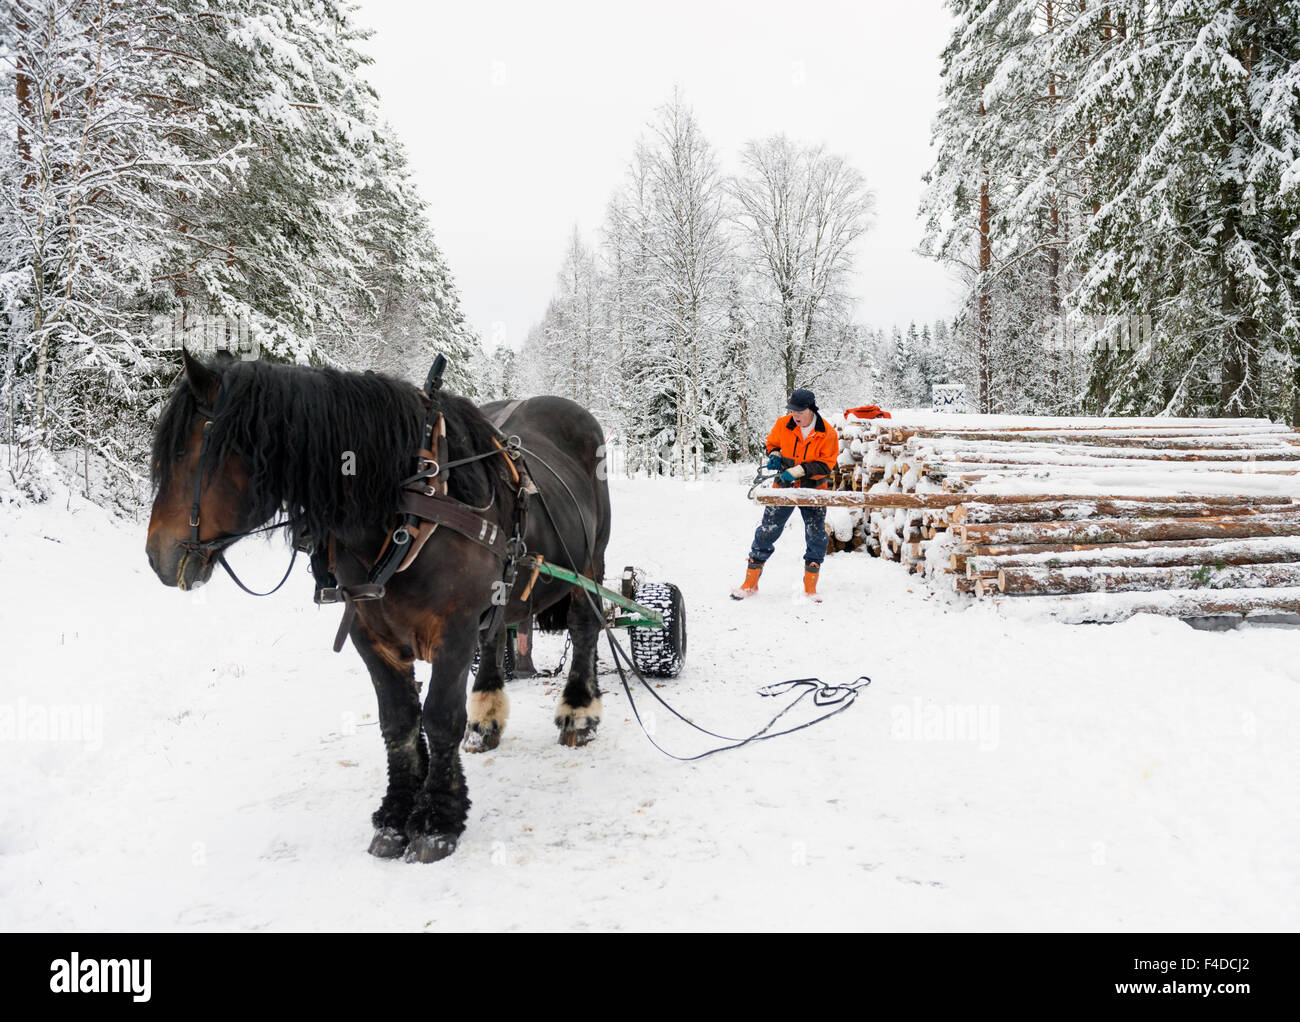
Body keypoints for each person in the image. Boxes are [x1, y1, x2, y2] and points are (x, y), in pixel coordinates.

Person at [732, 388, 839, 603]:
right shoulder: (783, 424)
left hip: (813, 490)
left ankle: (810, 588)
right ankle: (750, 583)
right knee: (767, 531)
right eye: (792, 411)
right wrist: (774, 455)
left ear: (811, 410)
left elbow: (826, 464)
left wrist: (798, 472)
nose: (796, 416)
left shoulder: (827, 432)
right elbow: (772, 444)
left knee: (816, 536)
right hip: (783, 487)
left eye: (800, 412)